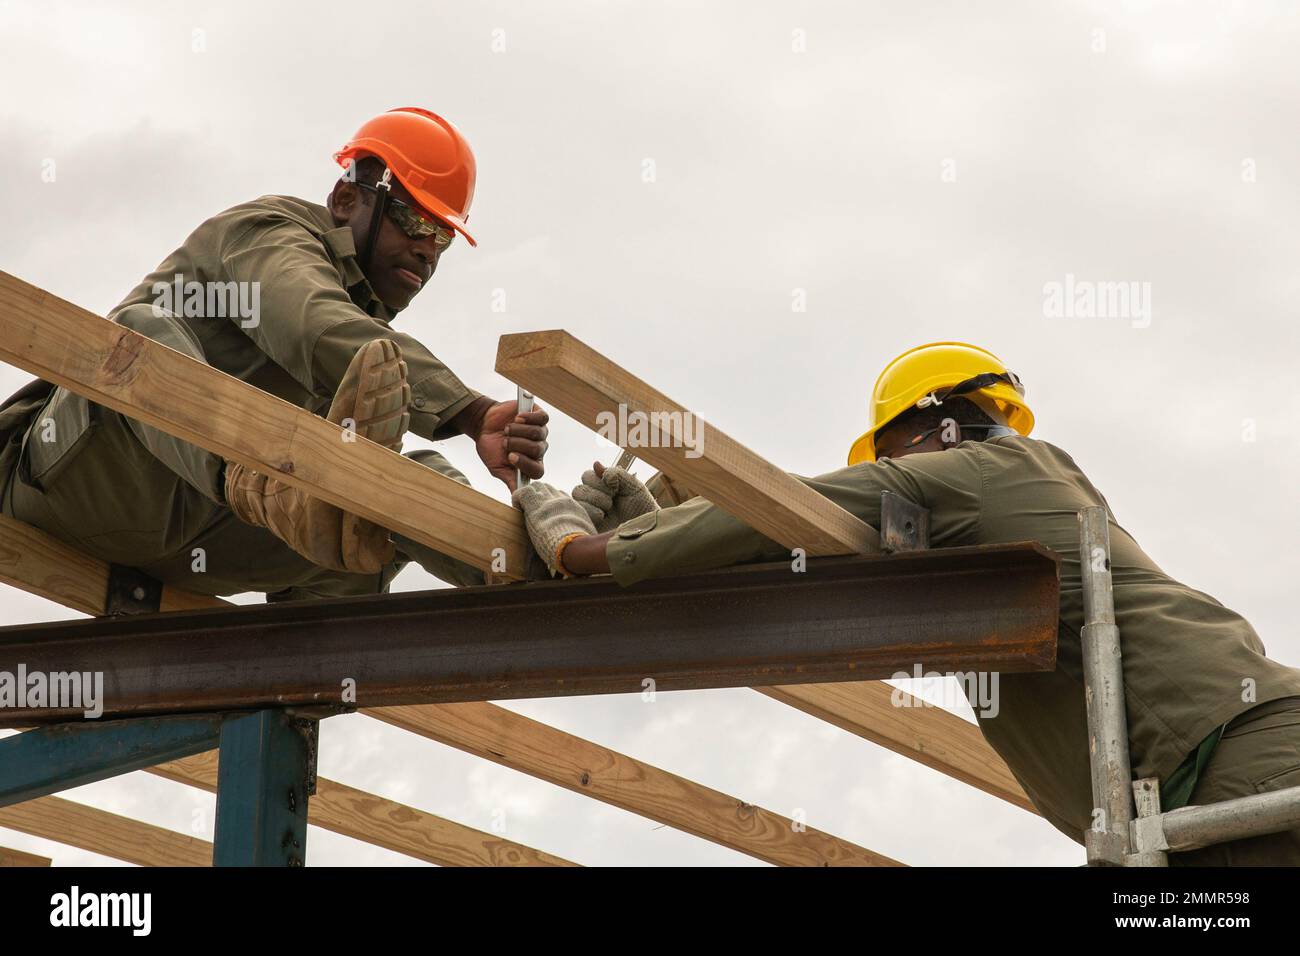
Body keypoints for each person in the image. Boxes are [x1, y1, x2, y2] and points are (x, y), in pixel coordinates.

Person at [513, 341, 1300, 864]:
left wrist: (587, 553)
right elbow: (808, 570)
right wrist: (661, 535)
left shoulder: (985, 470)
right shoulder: (1006, 527)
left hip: (1234, 761)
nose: (892, 474)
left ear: (934, 425)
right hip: (1214, 775)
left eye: (890, 451)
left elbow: (812, 508)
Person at [0, 107, 549, 599]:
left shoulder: (364, 330)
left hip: (199, 536)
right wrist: (472, 413)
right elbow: (311, 322)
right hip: (85, 480)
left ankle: (534, 565)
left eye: (441, 238)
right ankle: (270, 489)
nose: (425, 249)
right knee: (141, 335)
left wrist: (546, 529)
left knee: (401, 481)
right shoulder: (268, 231)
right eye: (412, 220)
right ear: (346, 200)